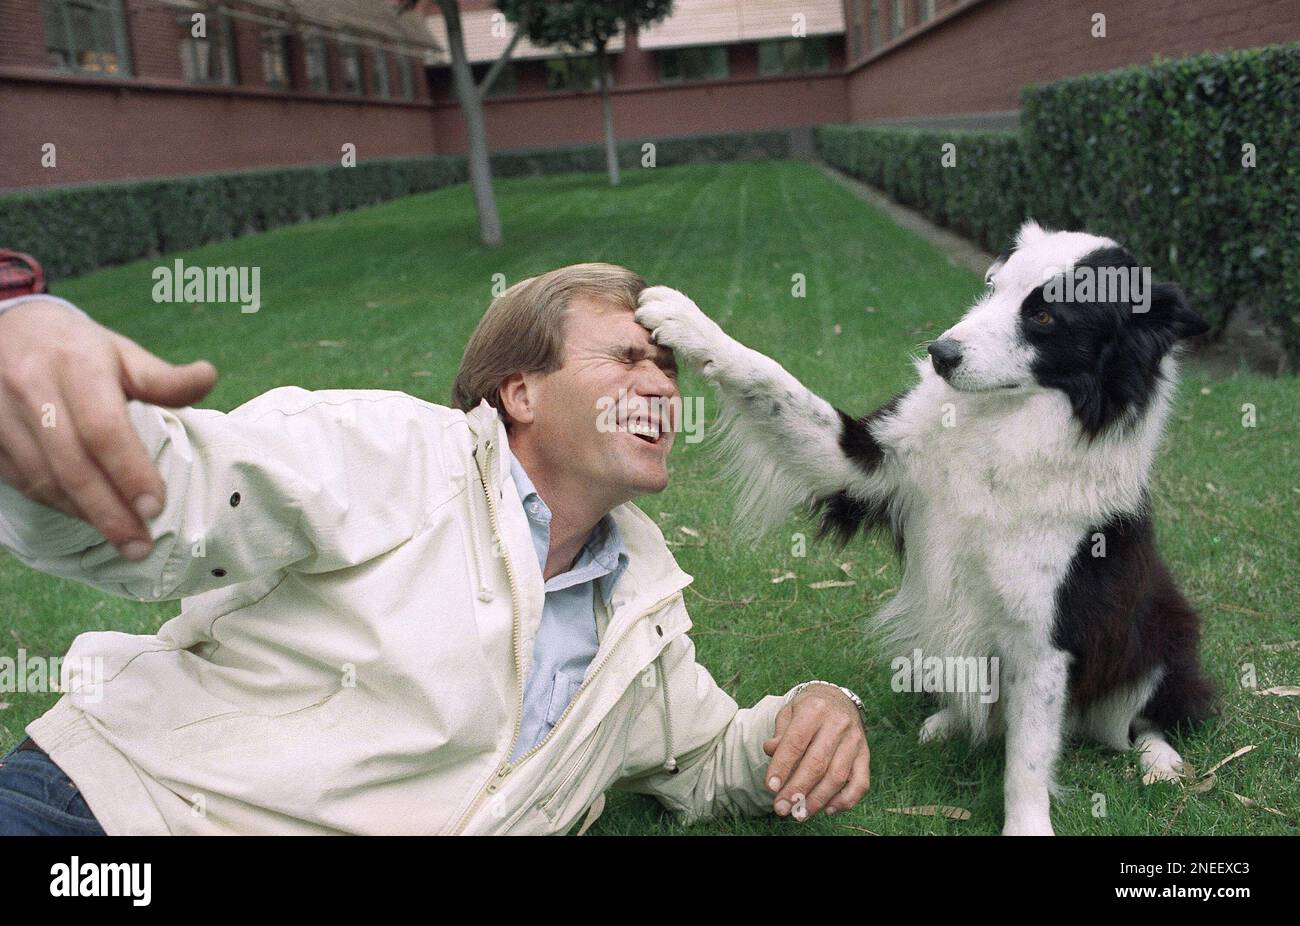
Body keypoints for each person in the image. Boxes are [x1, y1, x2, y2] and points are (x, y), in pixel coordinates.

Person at [0, 263, 869, 835]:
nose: (660, 383)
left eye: (669, 368)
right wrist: (47, 402)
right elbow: (181, 499)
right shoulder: (390, 453)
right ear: (519, 392)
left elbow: (708, 757)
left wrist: (818, 706)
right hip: (116, 812)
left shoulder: (639, 613)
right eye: (628, 357)